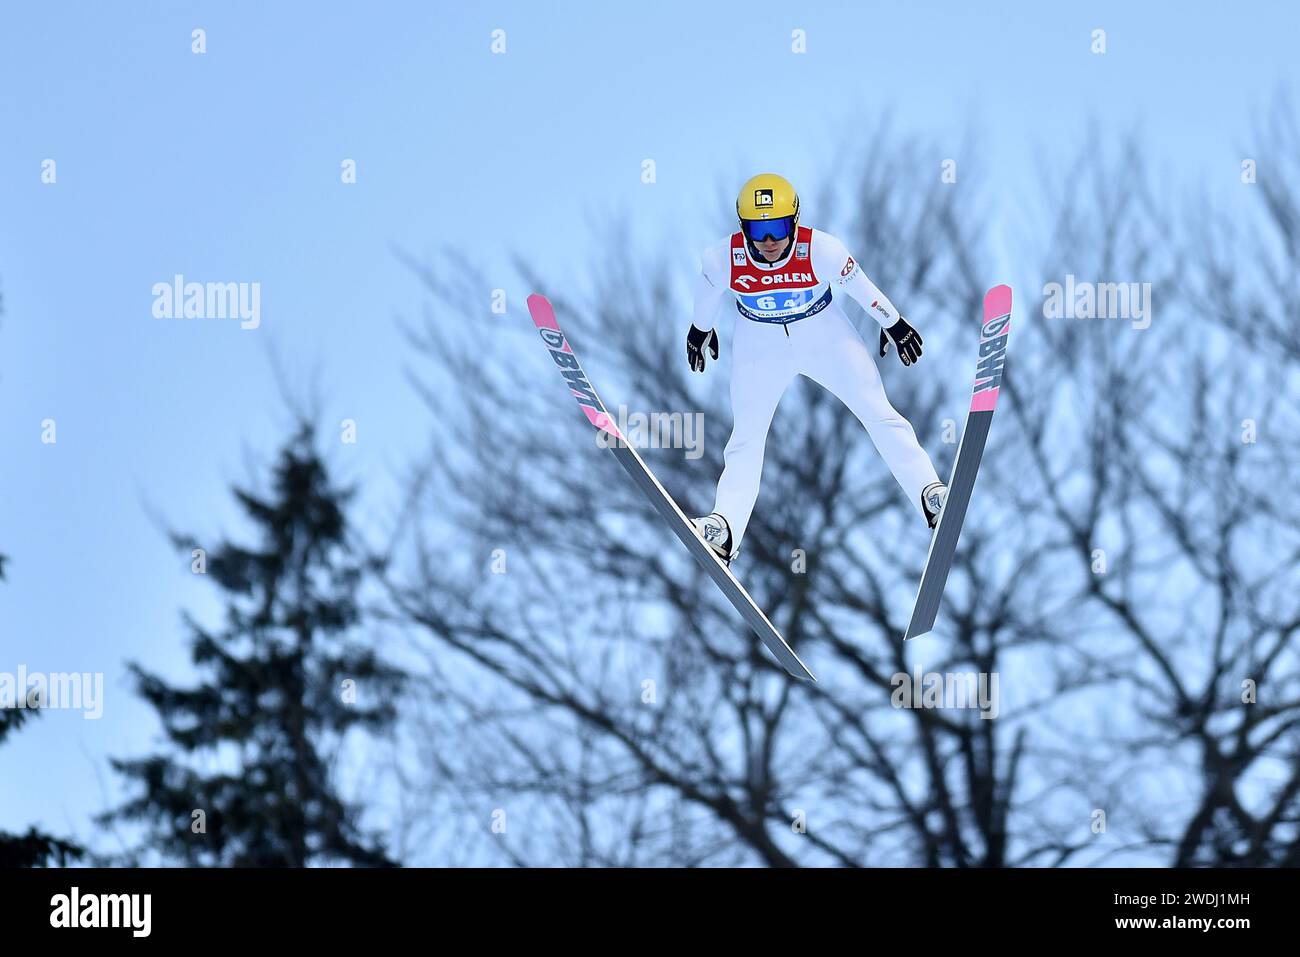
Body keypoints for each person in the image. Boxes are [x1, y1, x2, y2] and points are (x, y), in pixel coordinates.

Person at [688, 172, 946, 565]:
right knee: (746, 438)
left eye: (777, 228)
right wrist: (699, 331)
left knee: (878, 412)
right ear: (743, 230)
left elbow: (861, 287)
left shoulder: (821, 249)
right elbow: (706, 297)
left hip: (823, 333)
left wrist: (892, 322)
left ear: (793, 222)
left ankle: (931, 494)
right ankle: (723, 528)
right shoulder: (722, 258)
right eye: (758, 231)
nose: (769, 242)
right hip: (760, 343)